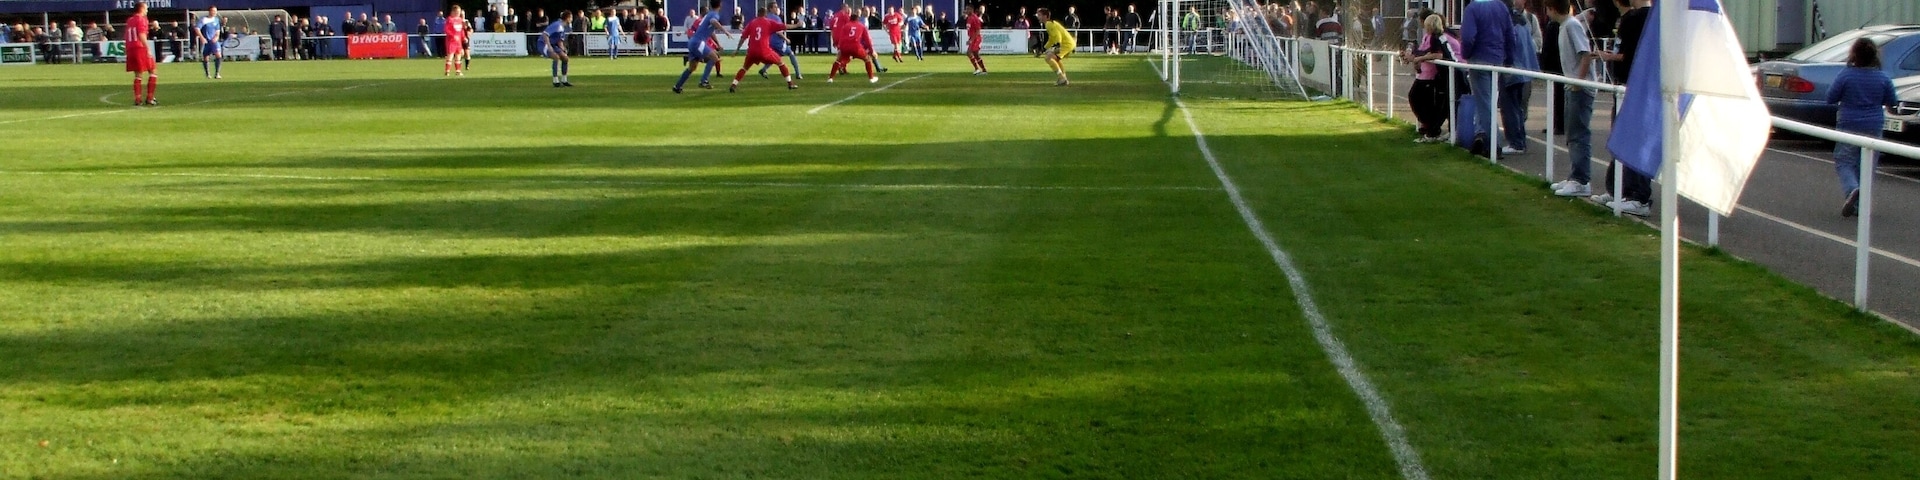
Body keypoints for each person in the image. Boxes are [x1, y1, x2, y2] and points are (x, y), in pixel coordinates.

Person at [1590, 0, 1650, 216]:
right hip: (1636, 86)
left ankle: (1638, 196)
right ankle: (1620, 189)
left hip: (1629, 87)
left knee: (1629, 139)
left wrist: (1608, 56)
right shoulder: (1650, 18)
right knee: (1623, 139)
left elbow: (1627, 54)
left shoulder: (1634, 19)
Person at [1826, 39, 1898, 217]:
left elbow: (1830, 97)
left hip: (1849, 123)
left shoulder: (1846, 75)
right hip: (1874, 125)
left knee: (1844, 160)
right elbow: (1892, 102)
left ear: (1854, 55)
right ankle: (1861, 205)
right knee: (1867, 166)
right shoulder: (1883, 78)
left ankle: (1852, 188)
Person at [1547, 0, 1597, 197]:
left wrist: (1579, 81)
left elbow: (1585, 54)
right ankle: (1575, 176)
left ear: (1551, 9)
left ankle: (1581, 180)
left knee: (1578, 133)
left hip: (1579, 88)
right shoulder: (1566, 26)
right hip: (1571, 85)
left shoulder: (1572, 26)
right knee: (1572, 132)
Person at [1458, 0, 1516, 151]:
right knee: (1487, 100)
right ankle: (1481, 135)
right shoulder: (1501, 7)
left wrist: (1466, 55)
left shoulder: (1473, 8)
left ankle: (1493, 145)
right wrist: (1509, 59)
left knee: (1485, 104)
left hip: (1479, 60)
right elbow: (1510, 34)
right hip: (1497, 60)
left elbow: (1468, 36)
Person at [1401, 14, 1458, 143]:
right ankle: (1432, 130)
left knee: (1423, 99)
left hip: (1447, 74)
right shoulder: (1439, 36)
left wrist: (1419, 58)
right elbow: (1428, 52)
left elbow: (1438, 54)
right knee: (1441, 105)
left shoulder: (1436, 37)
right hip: (1446, 73)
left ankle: (1432, 130)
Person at [1497, 0, 1543, 156]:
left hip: (1512, 71)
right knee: (1518, 108)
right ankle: (1520, 140)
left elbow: (1507, 46)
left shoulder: (1509, 24)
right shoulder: (1523, 22)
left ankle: (1516, 143)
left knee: (1509, 108)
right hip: (1525, 69)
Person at [731, 4, 798, 92]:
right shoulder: (769, 22)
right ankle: (790, 83)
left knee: (744, 68)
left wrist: (737, 49)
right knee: (781, 63)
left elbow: (743, 37)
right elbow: (784, 26)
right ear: (765, 14)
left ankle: (733, 85)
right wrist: (797, 25)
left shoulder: (752, 23)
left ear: (758, 14)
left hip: (752, 51)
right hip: (764, 51)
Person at [674, 0, 731, 93]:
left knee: (692, 67)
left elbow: (711, 31)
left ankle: (677, 86)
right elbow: (713, 21)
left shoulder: (707, 15)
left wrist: (717, 44)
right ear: (720, 5)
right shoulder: (714, 15)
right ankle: (703, 81)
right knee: (714, 58)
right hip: (698, 42)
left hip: (692, 41)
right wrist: (725, 31)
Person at [827, 6, 877, 84]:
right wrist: (872, 51)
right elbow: (867, 40)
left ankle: (830, 78)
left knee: (838, 60)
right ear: (857, 19)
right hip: (856, 47)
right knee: (867, 59)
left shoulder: (846, 26)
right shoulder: (861, 26)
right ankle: (871, 78)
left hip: (845, 47)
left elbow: (841, 37)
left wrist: (840, 47)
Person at [125, 2, 159, 106]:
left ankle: (138, 99)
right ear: (142, 8)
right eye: (146, 8)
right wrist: (147, 48)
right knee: (153, 71)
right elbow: (141, 34)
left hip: (131, 49)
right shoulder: (142, 19)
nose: (147, 10)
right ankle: (149, 97)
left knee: (138, 75)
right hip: (140, 48)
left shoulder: (130, 20)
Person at [757, 8, 802, 79]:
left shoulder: (766, 17)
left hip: (769, 42)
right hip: (777, 42)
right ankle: (798, 74)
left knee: (775, 57)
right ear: (771, 9)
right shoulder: (776, 18)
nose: (778, 10)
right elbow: (778, 31)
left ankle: (763, 70)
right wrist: (786, 39)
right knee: (791, 53)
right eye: (775, 8)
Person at [1036, 8, 1073, 86]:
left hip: (1065, 44)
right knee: (1055, 59)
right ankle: (1063, 78)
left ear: (1045, 16)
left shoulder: (1048, 24)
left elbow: (1057, 35)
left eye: (1039, 15)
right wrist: (1043, 49)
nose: (1037, 16)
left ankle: (1062, 78)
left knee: (1048, 58)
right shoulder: (1050, 24)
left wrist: (1058, 45)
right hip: (1068, 43)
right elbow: (1051, 39)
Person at [545, 10, 573, 87]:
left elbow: (559, 40)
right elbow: (545, 34)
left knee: (565, 58)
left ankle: (564, 80)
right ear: (567, 18)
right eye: (571, 17)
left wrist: (563, 49)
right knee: (556, 57)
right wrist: (549, 47)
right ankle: (555, 80)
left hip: (554, 45)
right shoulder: (557, 25)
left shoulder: (563, 26)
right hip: (544, 43)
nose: (571, 19)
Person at [196, 8, 222, 78]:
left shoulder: (216, 20)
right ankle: (207, 74)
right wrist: (202, 37)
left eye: (215, 11)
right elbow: (197, 29)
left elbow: (217, 30)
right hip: (206, 41)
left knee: (218, 55)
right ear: (209, 11)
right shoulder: (203, 19)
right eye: (213, 11)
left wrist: (216, 37)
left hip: (214, 41)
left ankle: (217, 73)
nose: (214, 12)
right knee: (206, 57)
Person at [444, 6, 469, 76]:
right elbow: (446, 30)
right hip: (451, 41)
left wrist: (464, 37)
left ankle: (458, 71)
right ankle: (447, 71)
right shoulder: (449, 20)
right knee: (450, 55)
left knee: (459, 55)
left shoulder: (460, 20)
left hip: (458, 42)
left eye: (459, 12)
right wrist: (453, 35)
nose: (458, 13)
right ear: (453, 12)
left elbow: (461, 30)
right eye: (457, 12)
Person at [964, 4, 987, 74]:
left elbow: (977, 31)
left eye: (968, 9)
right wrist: (970, 39)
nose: (966, 11)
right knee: (972, 53)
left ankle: (980, 69)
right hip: (973, 38)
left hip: (976, 38)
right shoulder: (969, 18)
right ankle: (981, 70)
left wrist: (971, 40)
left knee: (971, 52)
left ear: (971, 9)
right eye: (966, 9)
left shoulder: (975, 18)